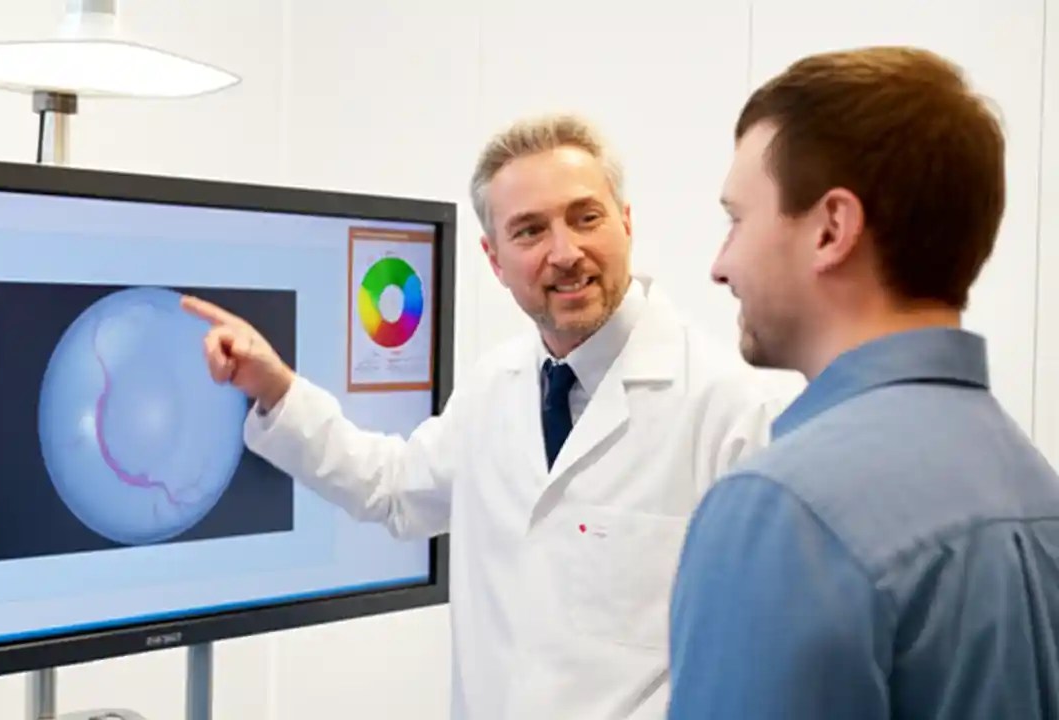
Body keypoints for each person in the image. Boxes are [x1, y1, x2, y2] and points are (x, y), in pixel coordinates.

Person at [183, 114, 785, 719]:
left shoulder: (730, 409)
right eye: (530, 231)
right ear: (494, 259)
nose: (565, 253)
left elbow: (765, 656)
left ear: (625, 223)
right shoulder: (494, 388)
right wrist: (276, 388)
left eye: (586, 218)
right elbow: (393, 490)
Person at [667, 46, 1059, 719]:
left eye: (737, 219)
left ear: (832, 229)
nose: (720, 265)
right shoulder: (1036, 491)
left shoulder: (782, 512)